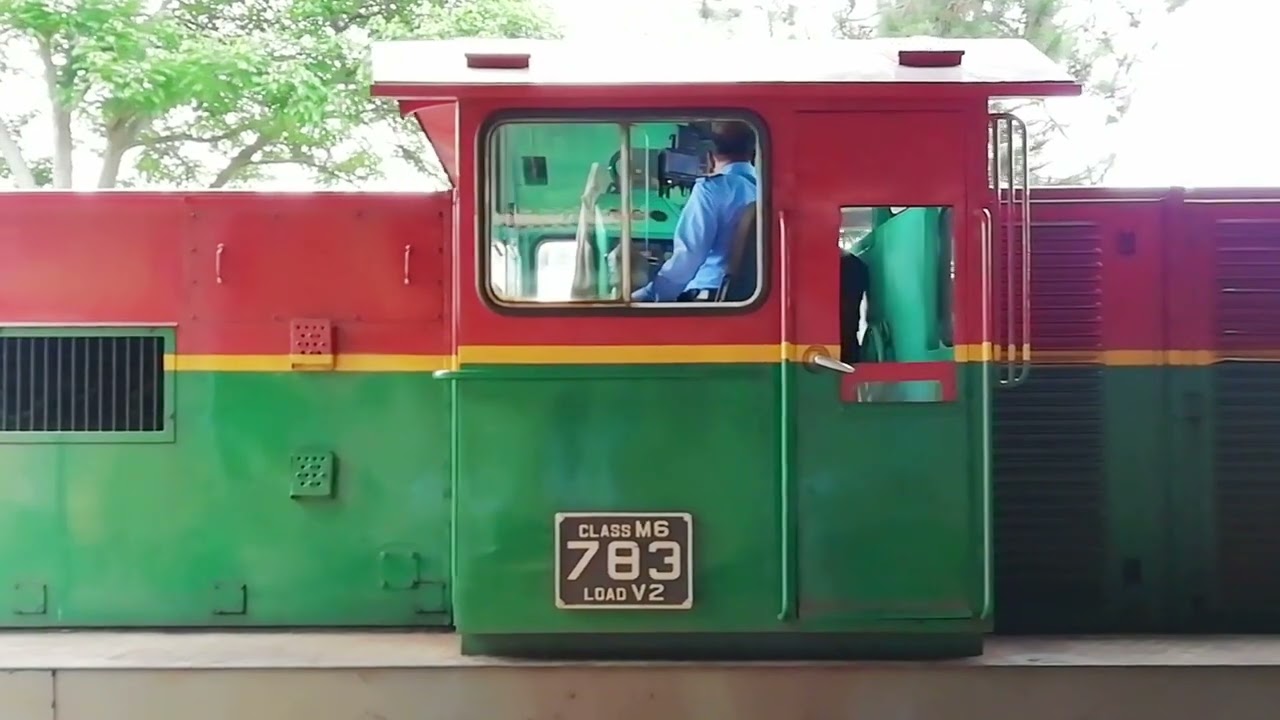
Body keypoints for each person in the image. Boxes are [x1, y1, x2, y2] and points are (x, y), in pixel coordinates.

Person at [631, 121, 759, 302]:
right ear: (753, 154)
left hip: (708, 299)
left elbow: (688, 258)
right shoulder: (765, 190)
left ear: (709, 157)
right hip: (749, 299)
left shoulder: (711, 190)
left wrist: (651, 295)